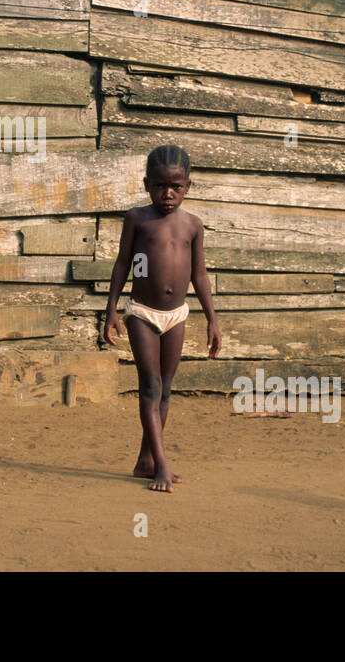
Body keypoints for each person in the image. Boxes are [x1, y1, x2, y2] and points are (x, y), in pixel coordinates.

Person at [104, 145, 222, 491]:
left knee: (166, 389)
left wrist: (212, 319)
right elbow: (122, 263)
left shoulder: (193, 226)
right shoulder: (137, 219)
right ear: (146, 184)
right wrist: (111, 309)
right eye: (159, 186)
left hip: (177, 315)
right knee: (151, 386)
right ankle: (162, 465)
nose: (167, 194)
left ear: (188, 186)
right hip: (141, 313)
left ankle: (146, 460)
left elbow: (199, 275)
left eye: (176, 187)